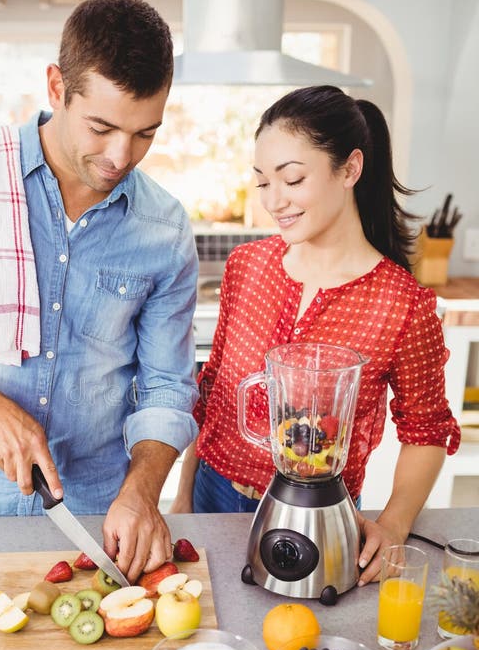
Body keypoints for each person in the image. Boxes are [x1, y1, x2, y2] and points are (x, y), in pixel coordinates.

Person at [0, 0, 199, 581]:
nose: (120, 156)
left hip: (103, 520)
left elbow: (167, 388)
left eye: (144, 133)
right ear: (56, 87)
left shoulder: (164, 228)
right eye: (101, 127)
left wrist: (144, 489)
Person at [171, 85, 460, 585]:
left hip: (320, 516)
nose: (273, 200)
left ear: (349, 169)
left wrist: (394, 524)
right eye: (262, 182)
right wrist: (182, 492)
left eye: (292, 179)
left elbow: (427, 432)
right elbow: (213, 389)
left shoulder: (402, 304)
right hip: (212, 495)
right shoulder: (246, 267)